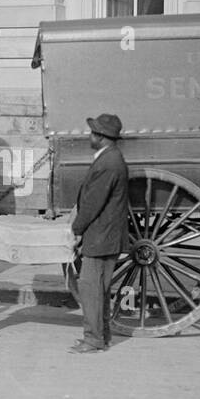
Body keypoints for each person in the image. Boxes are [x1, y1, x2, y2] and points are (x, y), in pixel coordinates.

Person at [70, 113, 130, 354]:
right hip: (107, 236)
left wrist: (76, 230)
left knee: (90, 289)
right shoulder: (112, 158)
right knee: (100, 290)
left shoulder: (107, 163)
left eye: (93, 132)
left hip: (100, 236)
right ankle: (102, 337)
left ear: (102, 137)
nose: (90, 136)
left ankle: (93, 339)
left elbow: (92, 203)